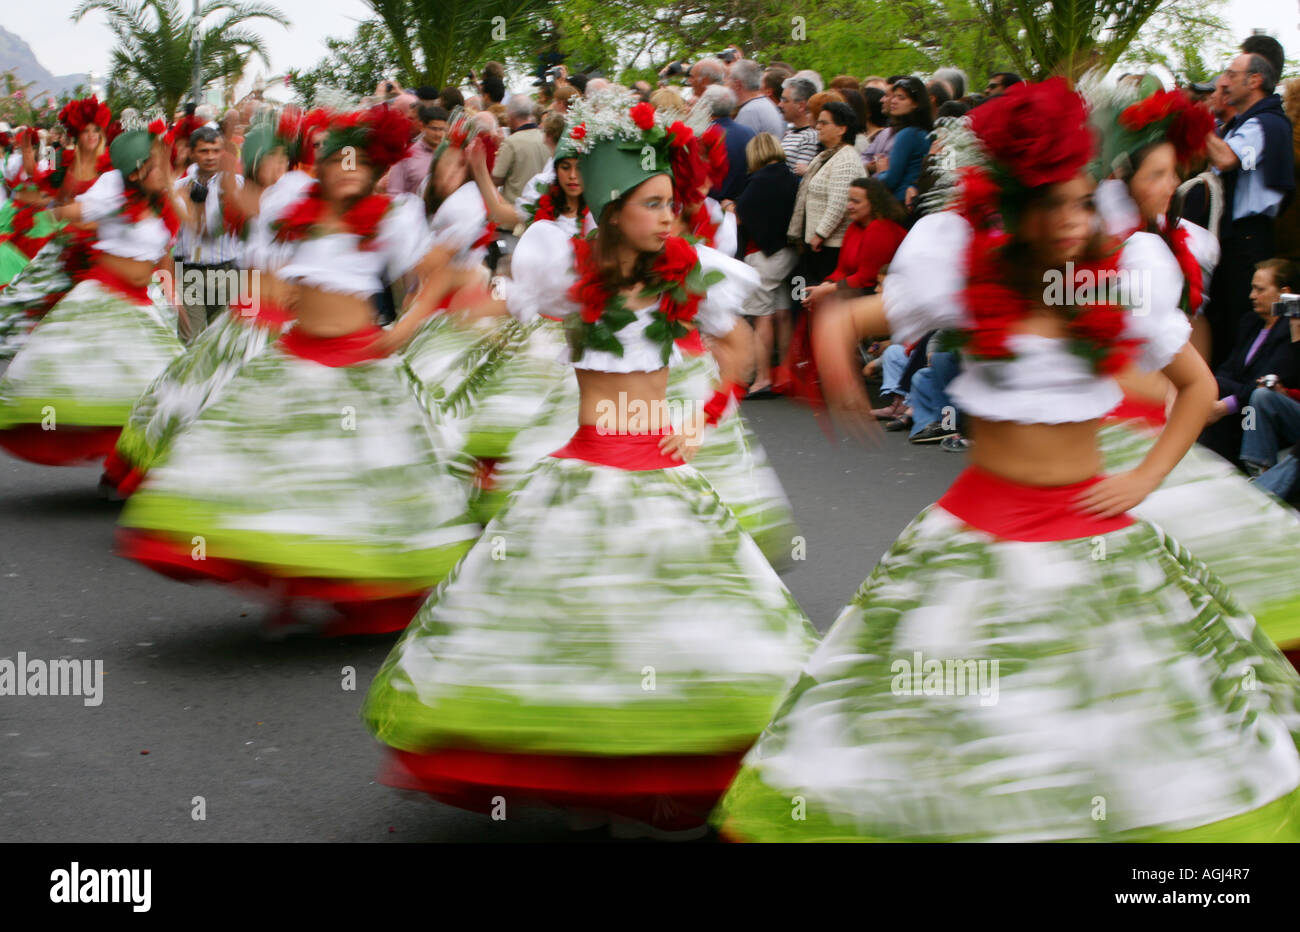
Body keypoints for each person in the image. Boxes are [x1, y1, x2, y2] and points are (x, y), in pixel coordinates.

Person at [713, 78, 1300, 842]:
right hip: (979, 529)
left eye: (1084, 202)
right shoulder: (966, 277)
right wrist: (833, 362)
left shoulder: (1116, 285)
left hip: (1095, 530)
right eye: (1053, 204)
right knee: (959, 728)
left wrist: (1145, 476)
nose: (1072, 220)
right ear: (1018, 209)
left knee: (1112, 734)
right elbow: (847, 317)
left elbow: (1192, 389)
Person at [361, 95, 817, 838]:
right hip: (582, 464)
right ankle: (589, 773)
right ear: (610, 207)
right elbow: (498, 309)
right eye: (652, 204)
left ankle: (648, 772)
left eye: (672, 202)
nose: (671, 216)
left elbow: (739, 352)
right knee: (573, 620)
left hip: (657, 468)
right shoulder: (555, 262)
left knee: (672, 621)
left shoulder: (689, 271)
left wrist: (698, 422)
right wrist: (430, 303)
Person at [115, 105, 480, 638]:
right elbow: (264, 258)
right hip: (296, 356)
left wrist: (405, 327)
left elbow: (440, 275)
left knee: (352, 483)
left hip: (358, 364)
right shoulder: (296, 208)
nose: (349, 170)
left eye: (360, 163)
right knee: (276, 475)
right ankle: (285, 584)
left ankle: (348, 584)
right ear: (323, 166)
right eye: (339, 160)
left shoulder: (389, 217)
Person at [101, 112, 316, 498]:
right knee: (197, 389)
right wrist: (173, 178)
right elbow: (203, 225)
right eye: (271, 158)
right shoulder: (246, 194)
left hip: (275, 317)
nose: (278, 166)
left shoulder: (296, 190)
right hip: (243, 314)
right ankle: (183, 478)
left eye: (283, 158)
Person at [0, 123, 186, 467]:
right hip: (104, 297)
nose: (166, 169)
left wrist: (174, 296)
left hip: (143, 303)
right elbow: (77, 211)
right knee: (85, 380)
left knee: (160, 388)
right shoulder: (112, 189)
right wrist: (48, 209)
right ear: (136, 171)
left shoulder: (163, 202)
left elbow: (164, 255)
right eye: (158, 163)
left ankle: (126, 468)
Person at [1203, 53, 1295, 369]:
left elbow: (1226, 159)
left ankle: (1232, 397)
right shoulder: (1247, 122)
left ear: (1254, 80)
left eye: (1231, 73)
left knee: (1239, 318)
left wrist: (1195, 123)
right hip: (1239, 236)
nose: (1224, 82)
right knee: (1224, 315)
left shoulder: (1263, 123)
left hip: (1248, 237)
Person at [1199, 258, 1300, 466]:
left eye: (1259, 289)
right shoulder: (1250, 322)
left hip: (1262, 413)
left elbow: (1268, 378)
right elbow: (1229, 368)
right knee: (1211, 386)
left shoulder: (1292, 329)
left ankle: (1248, 469)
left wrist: (1225, 405)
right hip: (1240, 405)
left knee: (1254, 398)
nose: (1252, 296)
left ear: (1284, 293)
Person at [735, 133, 799, 395]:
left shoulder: (755, 183)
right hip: (789, 253)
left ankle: (762, 378)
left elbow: (744, 213)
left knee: (762, 316)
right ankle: (785, 373)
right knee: (783, 314)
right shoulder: (791, 177)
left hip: (762, 255)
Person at [173, 126, 243, 343]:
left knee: (221, 343)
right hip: (188, 273)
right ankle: (186, 378)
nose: (211, 156)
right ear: (192, 153)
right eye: (204, 151)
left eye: (215, 150)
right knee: (189, 341)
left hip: (226, 272)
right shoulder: (179, 188)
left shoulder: (237, 186)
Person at [788, 101, 861, 286]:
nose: (818, 127)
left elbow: (839, 203)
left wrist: (820, 234)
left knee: (817, 295)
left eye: (824, 123)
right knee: (801, 291)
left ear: (841, 129)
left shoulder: (846, 159)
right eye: (818, 122)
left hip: (829, 247)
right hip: (815, 243)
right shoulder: (825, 156)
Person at [874, 76, 933, 206]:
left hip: (900, 202)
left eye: (902, 98)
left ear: (915, 104)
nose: (894, 101)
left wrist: (881, 171)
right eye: (894, 96)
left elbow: (890, 180)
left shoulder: (908, 134)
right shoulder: (923, 132)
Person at [699, 85, 754, 202]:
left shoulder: (703, 135)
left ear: (705, 107)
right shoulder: (749, 133)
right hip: (739, 204)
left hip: (709, 204)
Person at [493, 96, 550, 206]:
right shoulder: (547, 138)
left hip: (516, 211)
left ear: (510, 115)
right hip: (542, 208)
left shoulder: (510, 143)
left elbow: (497, 179)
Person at [386, 104, 448, 196]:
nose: (438, 134)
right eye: (434, 129)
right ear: (422, 126)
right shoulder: (406, 157)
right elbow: (394, 193)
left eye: (442, 129)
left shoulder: (449, 154)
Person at [730, 59, 785, 139]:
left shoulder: (749, 112)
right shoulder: (765, 103)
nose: (728, 85)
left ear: (737, 84)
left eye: (730, 79)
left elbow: (744, 149)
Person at [778, 77, 819, 175]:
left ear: (801, 106)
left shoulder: (810, 137)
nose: (780, 105)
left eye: (785, 101)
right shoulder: (790, 131)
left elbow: (798, 176)